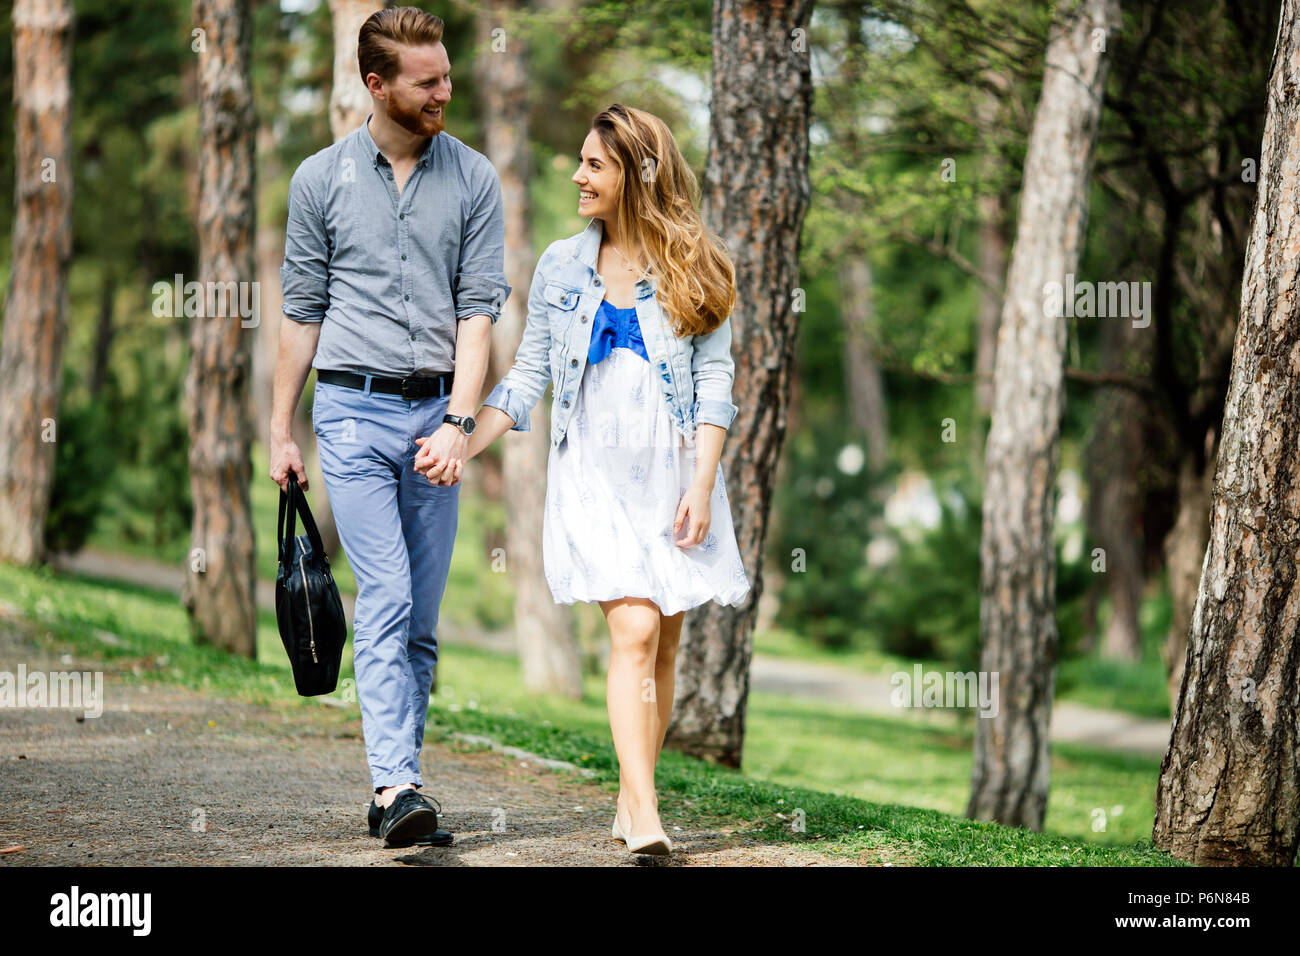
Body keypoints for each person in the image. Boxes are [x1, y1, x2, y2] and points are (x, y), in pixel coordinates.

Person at [416, 103, 750, 856]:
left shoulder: (700, 265)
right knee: (632, 629)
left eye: (594, 165)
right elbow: (530, 369)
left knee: (663, 642)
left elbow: (716, 383)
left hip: (672, 473)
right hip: (592, 469)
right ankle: (645, 812)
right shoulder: (564, 263)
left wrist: (702, 483)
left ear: (637, 173)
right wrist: (465, 438)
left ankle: (634, 803)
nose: (576, 175)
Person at [269, 7, 510, 849]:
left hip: (435, 417)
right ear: (376, 85)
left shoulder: (474, 179)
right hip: (350, 410)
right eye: (428, 81)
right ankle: (397, 783)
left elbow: (477, 314)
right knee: (388, 594)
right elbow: (301, 314)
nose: (447, 90)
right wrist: (280, 429)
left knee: (421, 621)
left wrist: (457, 421)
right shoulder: (319, 181)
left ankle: (397, 789)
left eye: (447, 75)